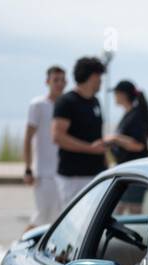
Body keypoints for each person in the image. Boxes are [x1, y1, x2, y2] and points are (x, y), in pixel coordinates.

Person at [51, 56, 107, 206]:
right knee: (75, 227)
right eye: (99, 77)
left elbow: (97, 136)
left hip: (96, 175)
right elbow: (58, 137)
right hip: (72, 178)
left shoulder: (95, 101)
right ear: (92, 77)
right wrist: (90, 148)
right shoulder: (66, 102)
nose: (101, 81)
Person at [23, 65, 65, 226]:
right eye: (56, 80)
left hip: (63, 173)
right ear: (47, 81)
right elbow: (28, 137)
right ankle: (21, 247)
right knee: (41, 216)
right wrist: (28, 169)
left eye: (62, 80)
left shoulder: (66, 104)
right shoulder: (38, 105)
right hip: (43, 173)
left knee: (59, 219)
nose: (59, 84)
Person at [107, 80, 148, 164]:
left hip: (136, 167)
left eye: (116, 93)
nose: (115, 96)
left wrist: (115, 138)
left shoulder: (136, 116)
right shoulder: (128, 115)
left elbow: (139, 145)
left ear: (124, 95)